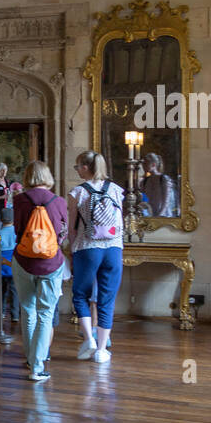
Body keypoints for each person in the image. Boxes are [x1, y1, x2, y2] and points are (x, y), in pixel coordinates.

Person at [12, 161, 68, 382]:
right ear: (48, 176)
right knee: (46, 313)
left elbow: (17, 230)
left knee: (27, 310)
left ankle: (29, 357)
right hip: (51, 263)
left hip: (24, 261)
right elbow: (62, 234)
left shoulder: (18, 200)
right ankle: (37, 366)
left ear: (27, 177)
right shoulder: (59, 202)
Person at [67, 150, 125, 364]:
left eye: (77, 167)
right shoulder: (117, 190)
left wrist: (72, 250)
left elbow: (72, 228)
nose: (77, 171)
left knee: (80, 295)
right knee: (107, 299)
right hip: (113, 249)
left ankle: (89, 339)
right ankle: (101, 351)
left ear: (85, 167)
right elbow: (120, 223)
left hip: (87, 248)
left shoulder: (77, 193)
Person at [0, 206, 17, 323]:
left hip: (2, 265)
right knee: (15, 291)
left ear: (1, 220)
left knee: (2, 291)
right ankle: (15, 315)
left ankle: (2, 312)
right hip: (14, 264)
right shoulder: (16, 232)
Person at [140, 152, 178, 217]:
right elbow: (144, 199)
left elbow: (166, 200)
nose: (144, 166)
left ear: (153, 165)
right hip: (150, 213)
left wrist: (160, 214)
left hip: (163, 214)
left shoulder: (163, 179)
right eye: (144, 164)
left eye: (146, 163)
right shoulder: (145, 181)